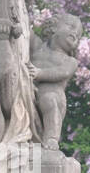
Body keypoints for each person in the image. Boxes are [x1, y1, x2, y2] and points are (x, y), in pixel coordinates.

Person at [27, 14, 81, 150]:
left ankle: (51, 139)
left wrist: (39, 73)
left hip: (53, 95)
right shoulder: (38, 47)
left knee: (49, 99)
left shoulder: (70, 61)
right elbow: (27, 32)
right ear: (53, 28)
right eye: (71, 26)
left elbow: (62, 72)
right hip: (31, 91)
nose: (75, 33)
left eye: (79, 34)